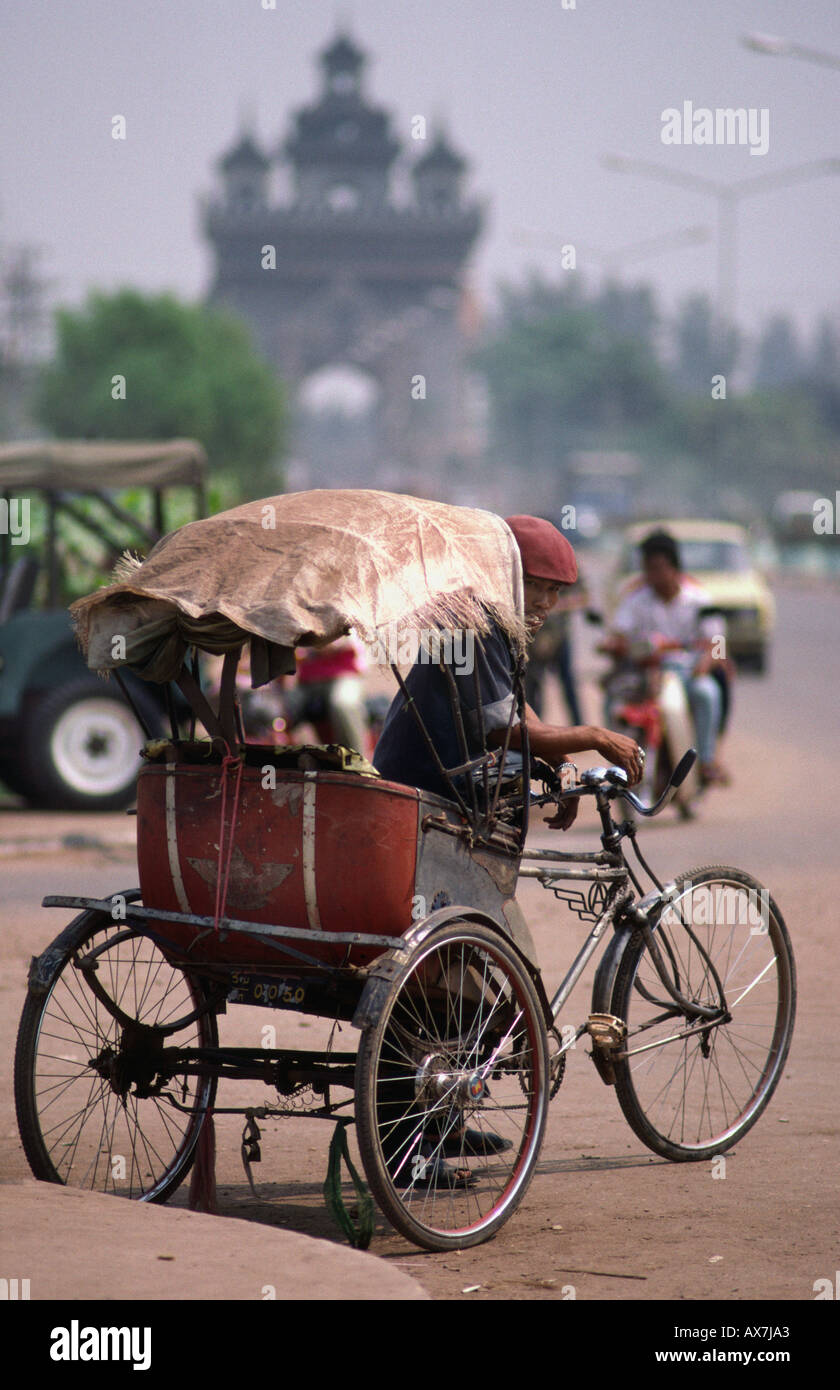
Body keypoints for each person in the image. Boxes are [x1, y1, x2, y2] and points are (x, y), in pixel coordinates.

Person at [373, 513, 644, 828]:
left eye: (554, 589)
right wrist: (597, 737)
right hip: (422, 785)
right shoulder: (475, 625)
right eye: (532, 585)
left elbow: (514, 707)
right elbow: (502, 730)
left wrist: (565, 770)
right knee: (517, 775)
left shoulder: (499, 623)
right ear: (500, 577)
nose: (545, 602)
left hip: (443, 775)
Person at [605, 529, 729, 786]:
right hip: (647, 675)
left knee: (707, 693)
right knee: (614, 699)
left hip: (689, 673)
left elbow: (717, 642)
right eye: (648, 568)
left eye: (659, 568)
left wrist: (704, 665)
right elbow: (619, 634)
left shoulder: (699, 598)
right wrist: (613, 645)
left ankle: (706, 761)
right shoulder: (635, 600)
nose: (653, 575)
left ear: (675, 568)